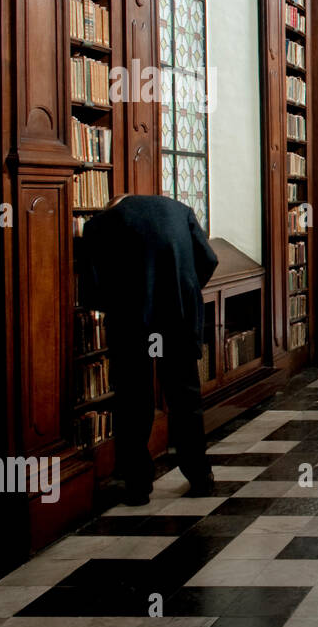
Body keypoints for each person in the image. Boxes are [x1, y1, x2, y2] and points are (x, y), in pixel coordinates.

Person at [79, 194, 218, 504]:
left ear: (111, 203)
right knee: (185, 400)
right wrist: (186, 289)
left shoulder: (101, 224)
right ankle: (200, 476)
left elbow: (92, 287)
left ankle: (138, 485)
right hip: (177, 318)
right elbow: (208, 260)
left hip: (132, 324)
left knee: (133, 401)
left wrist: (114, 305)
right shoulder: (180, 211)